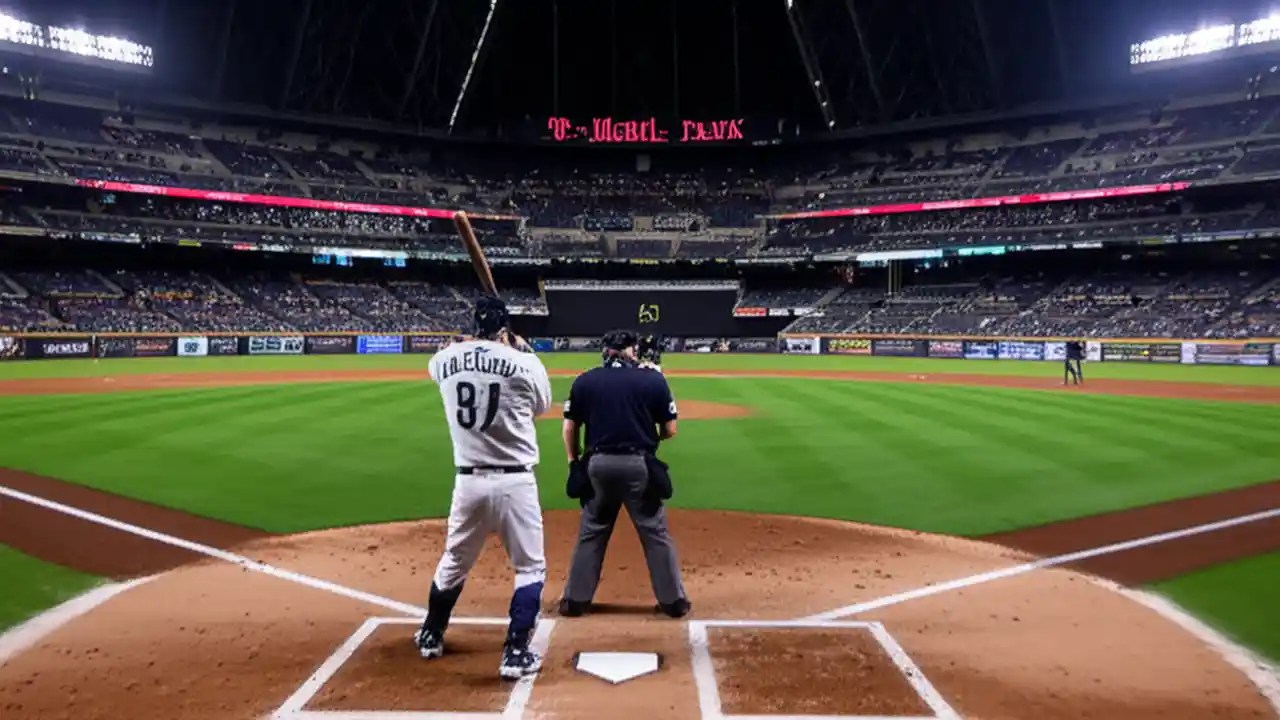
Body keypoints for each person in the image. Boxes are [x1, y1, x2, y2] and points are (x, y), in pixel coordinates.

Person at [413, 296, 553, 680]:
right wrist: (520, 349)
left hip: (468, 482)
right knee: (529, 567)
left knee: (454, 561)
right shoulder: (526, 363)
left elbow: (442, 358)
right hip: (516, 483)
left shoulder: (444, 359)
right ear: (505, 328)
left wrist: (470, 345)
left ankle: (431, 634)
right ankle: (515, 652)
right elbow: (542, 405)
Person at [558, 329, 690, 619]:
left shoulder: (585, 380)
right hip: (638, 465)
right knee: (655, 531)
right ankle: (673, 602)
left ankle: (575, 601)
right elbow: (670, 429)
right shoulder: (653, 379)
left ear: (605, 351)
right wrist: (646, 434)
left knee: (592, 531)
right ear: (633, 350)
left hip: (598, 465)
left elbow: (569, 427)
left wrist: (573, 462)